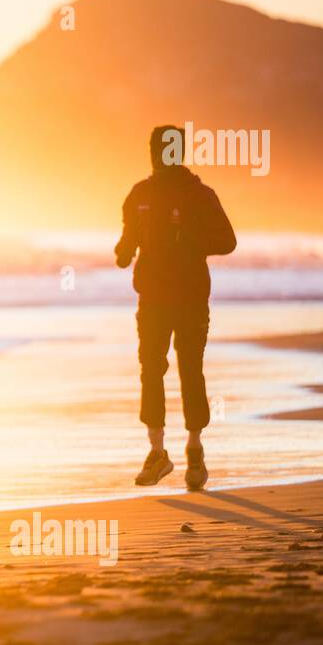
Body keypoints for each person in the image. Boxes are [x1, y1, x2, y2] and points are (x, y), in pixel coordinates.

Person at [115, 124, 237, 490]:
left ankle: (195, 450)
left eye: (168, 149)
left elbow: (228, 241)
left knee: (189, 371)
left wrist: (189, 238)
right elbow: (127, 242)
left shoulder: (200, 195)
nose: (161, 155)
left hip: (190, 299)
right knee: (150, 369)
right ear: (152, 151)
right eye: (157, 148)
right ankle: (157, 453)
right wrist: (123, 252)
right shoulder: (139, 195)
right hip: (151, 300)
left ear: (178, 152)